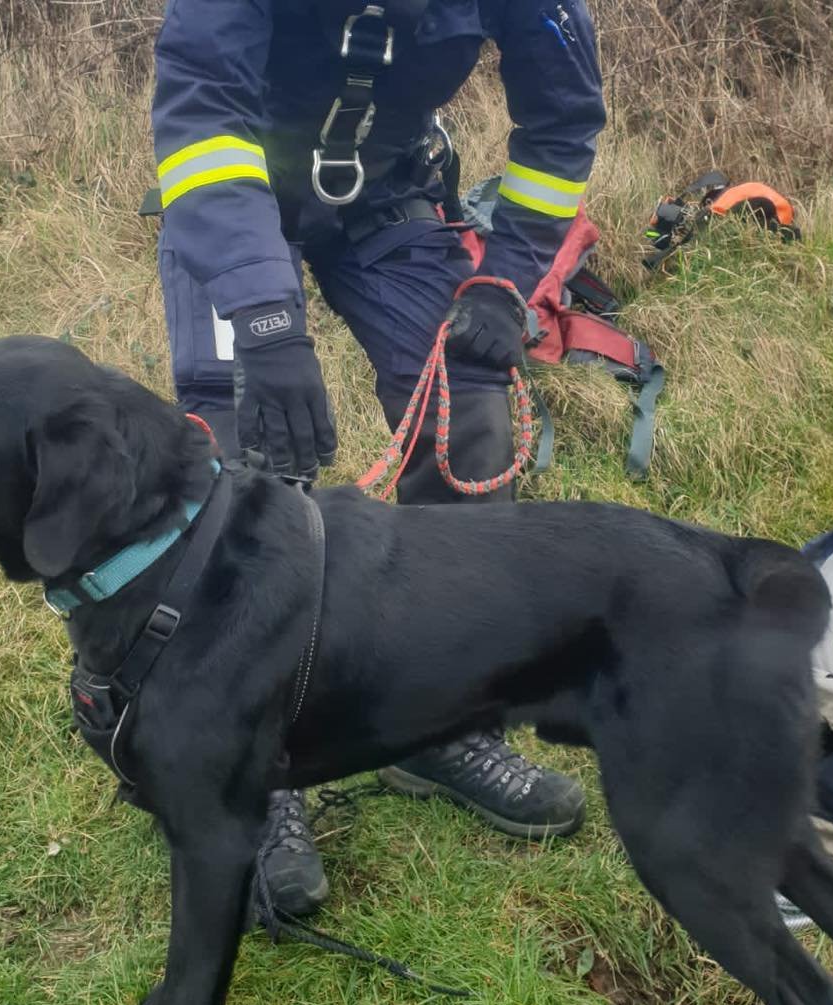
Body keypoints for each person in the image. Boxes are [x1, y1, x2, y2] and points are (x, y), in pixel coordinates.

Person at [151, 0, 606, 917]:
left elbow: (562, 123)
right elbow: (200, 116)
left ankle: (434, 719)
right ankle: (250, 767)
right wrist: (268, 319)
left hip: (386, 192)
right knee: (239, 449)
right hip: (241, 199)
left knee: (463, 408)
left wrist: (506, 282)